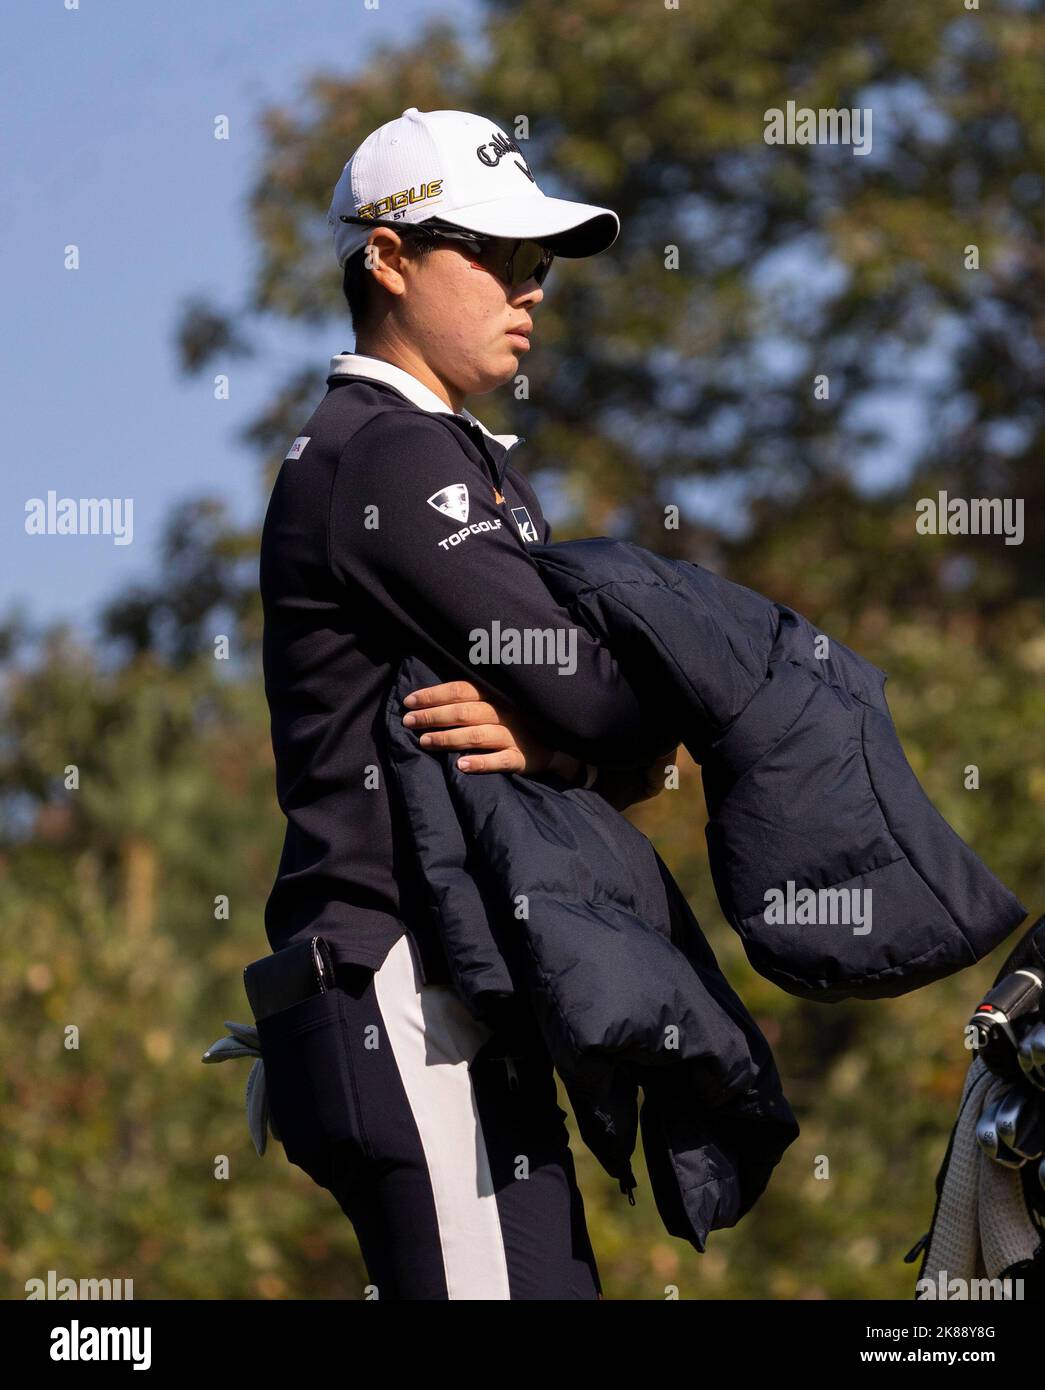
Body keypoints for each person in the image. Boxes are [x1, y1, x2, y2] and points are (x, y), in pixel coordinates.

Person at [258, 107, 676, 1300]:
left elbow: (590, 710)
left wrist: (576, 749)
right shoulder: (383, 451)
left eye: (533, 261)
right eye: (489, 254)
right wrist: (598, 737)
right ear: (385, 258)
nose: (526, 287)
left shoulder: (451, 448)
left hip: (458, 997)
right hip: (399, 983)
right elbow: (594, 686)